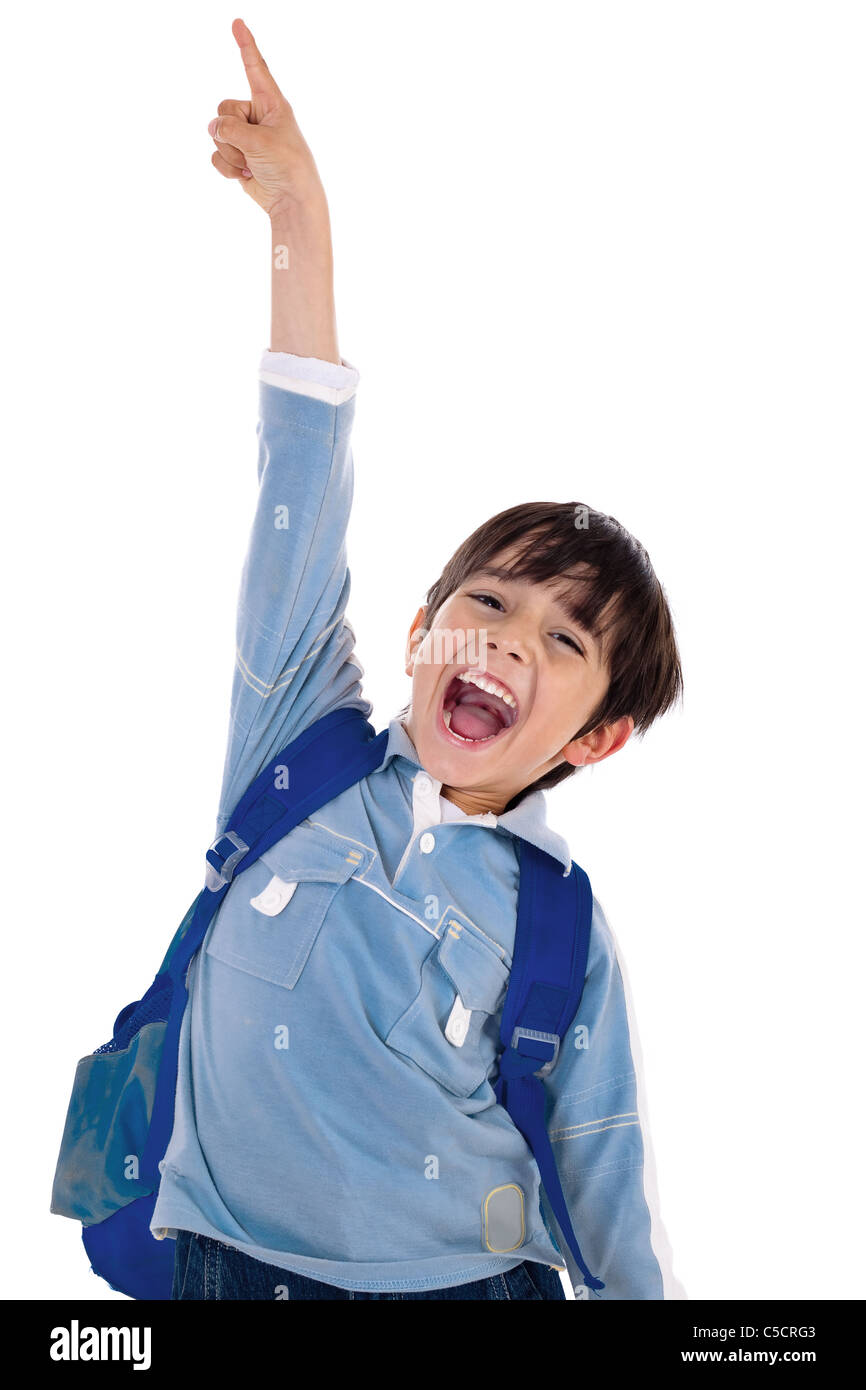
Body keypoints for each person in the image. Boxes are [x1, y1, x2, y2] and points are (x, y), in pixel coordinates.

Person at [154, 17, 684, 1301]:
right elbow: (300, 471)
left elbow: (603, 1173)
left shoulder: (557, 928)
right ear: (419, 633)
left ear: (593, 737)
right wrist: (299, 218)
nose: (506, 637)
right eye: (490, 600)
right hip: (221, 1275)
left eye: (562, 641)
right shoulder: (298, 742)